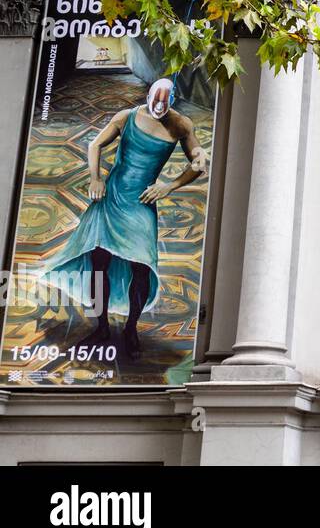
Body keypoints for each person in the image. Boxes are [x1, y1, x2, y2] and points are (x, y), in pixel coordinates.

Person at [41, 78, 207, 360]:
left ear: (171, 101)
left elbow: (199, 163)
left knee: (140, 266)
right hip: (112, 198)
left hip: (142, 202)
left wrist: (169, 185)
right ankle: (102, 325)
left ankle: (131, 328)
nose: (158, 106)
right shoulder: (126, 117)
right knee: (98, 263)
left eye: (164, 103)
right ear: (149, 96)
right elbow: (95, 145)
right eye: (155, 100)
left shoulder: (181, 125)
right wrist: (95, 179)